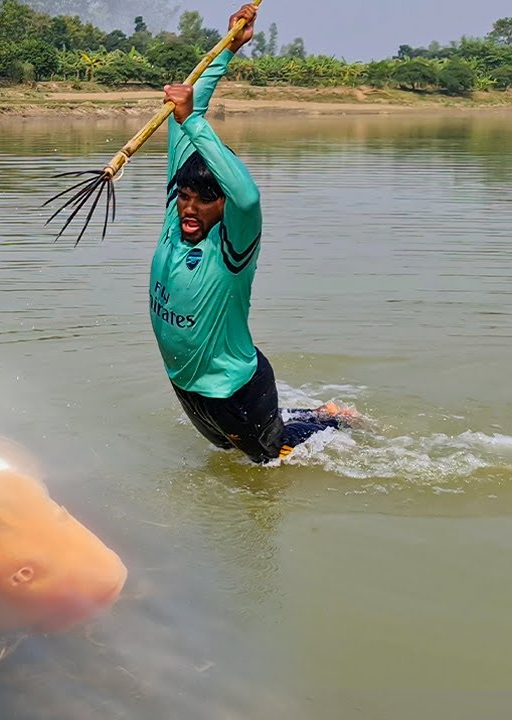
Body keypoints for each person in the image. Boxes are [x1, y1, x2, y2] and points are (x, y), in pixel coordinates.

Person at [149, 3, 355, 463]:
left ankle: (333, 418)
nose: (190, 207)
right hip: (186, 381)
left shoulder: (232, 246)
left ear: (222, 206)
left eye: (204, 200)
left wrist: (195, 123)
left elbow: (246, 196)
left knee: (271, 462)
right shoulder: (174, 217)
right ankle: (320, 411)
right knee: (225, 447)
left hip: (233, 388)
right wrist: (229, 50)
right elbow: (189, 108)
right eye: (185, 196)